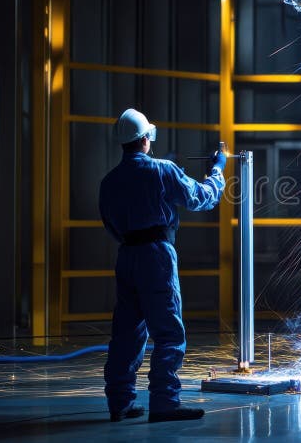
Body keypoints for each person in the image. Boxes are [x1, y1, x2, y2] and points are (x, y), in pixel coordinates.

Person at [99, 108, 226, 423]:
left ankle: (120, 403)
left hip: (127, 255)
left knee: (127, 333)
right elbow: (201, 198)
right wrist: (218, 172)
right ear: (145, 139)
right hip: (156, 256)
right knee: (169, 332)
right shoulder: (163, 170)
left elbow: (111, 225)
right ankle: (165, 403)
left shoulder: (109, 181)